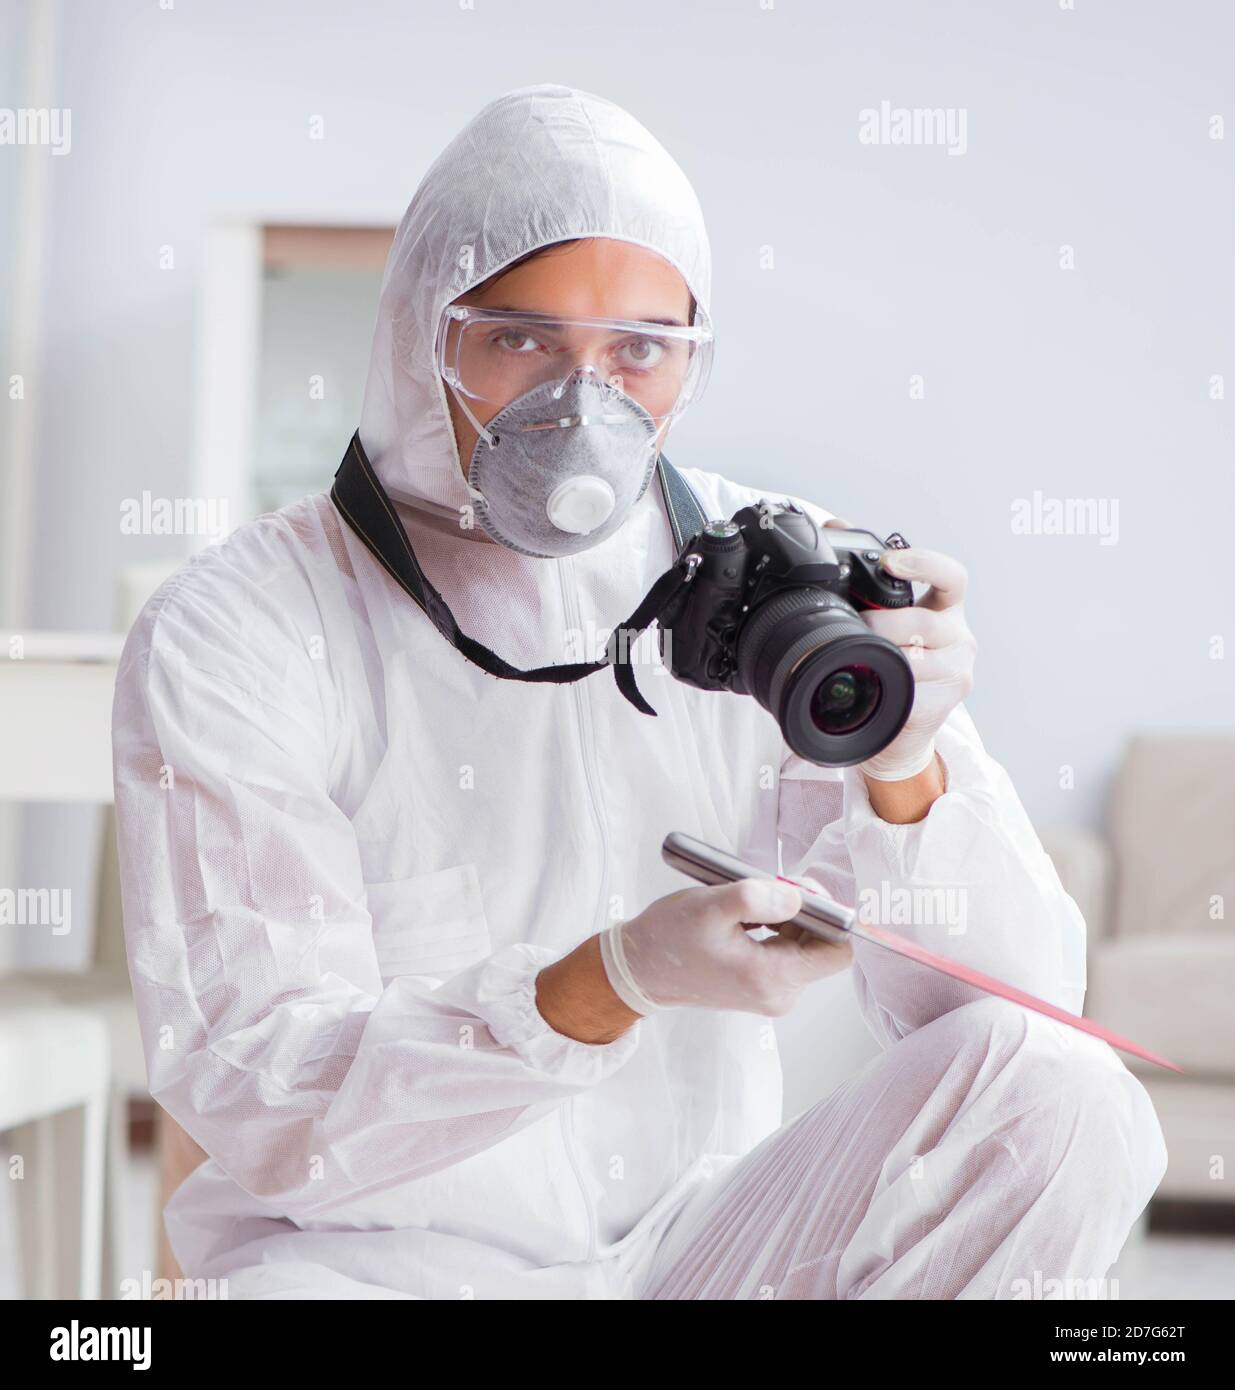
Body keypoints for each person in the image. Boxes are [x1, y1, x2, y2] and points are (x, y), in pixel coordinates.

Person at [111, 84, 1166, 1300]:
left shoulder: (759, 572)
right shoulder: (240, 626)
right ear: (420, 332)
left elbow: (1011, 1004)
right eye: (519, 339)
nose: (585, 404)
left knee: (1061, 1092)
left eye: (638, 352)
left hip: (692, 1251)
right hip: (368, 1267)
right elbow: (265, 1100)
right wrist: (606, 982)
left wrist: (903, 766)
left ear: (689, 360)